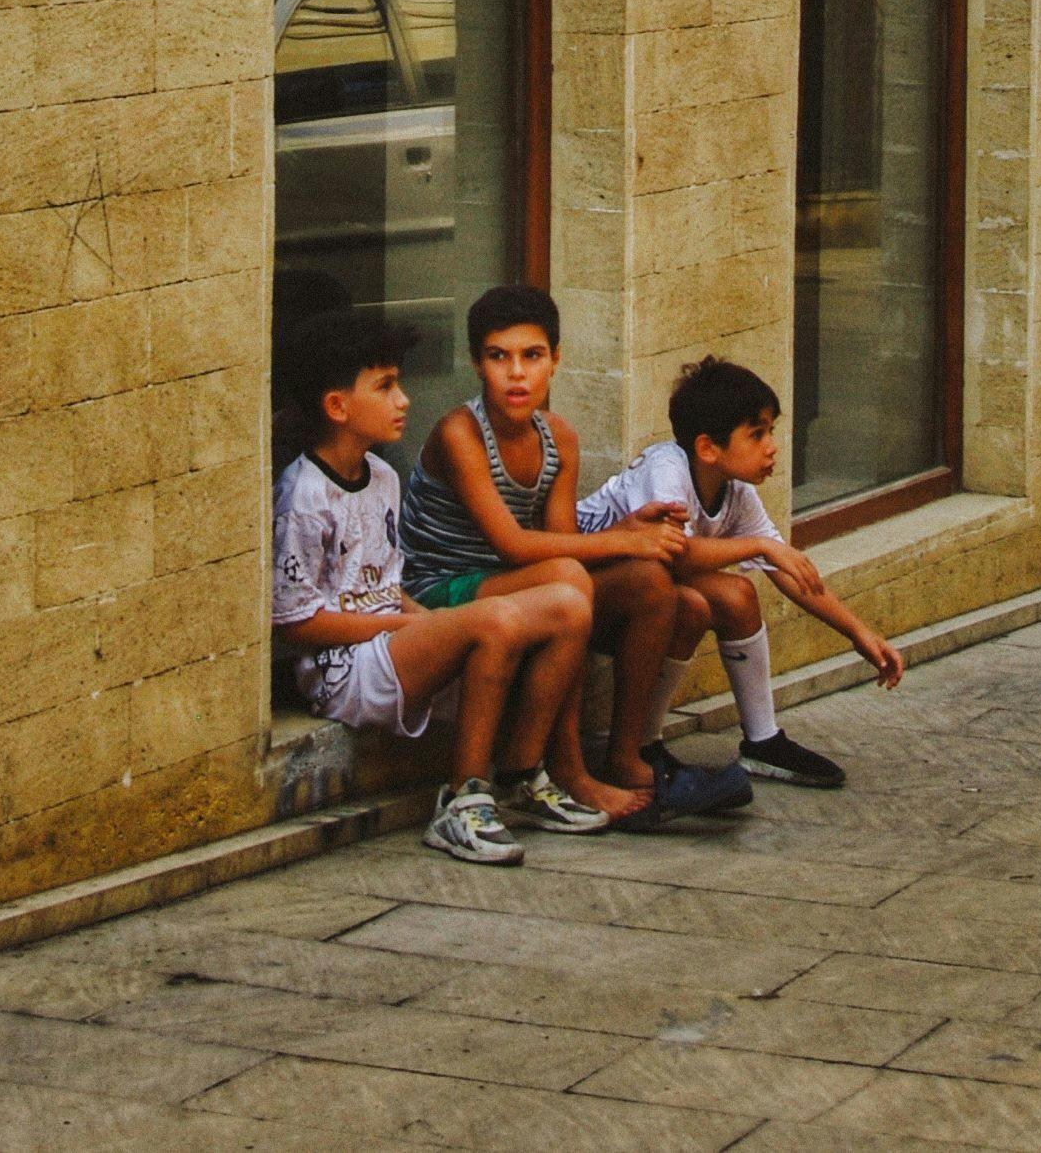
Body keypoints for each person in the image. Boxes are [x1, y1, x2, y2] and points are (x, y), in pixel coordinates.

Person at [400, 284, 749, 827]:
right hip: (441, 588)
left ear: (556, 359)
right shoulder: (459, 434)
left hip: (516, 582)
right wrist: (621, 539)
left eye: (532, 355)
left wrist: (629, 534)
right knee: (570, 580)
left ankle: (626, 757)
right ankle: (565, 771)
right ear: (476, 363)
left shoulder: (558, 437)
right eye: (499, 357)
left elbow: (562, 539)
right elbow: (513, 545)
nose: (517, 374)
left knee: (650, 582)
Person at [271, 310, 609, 864]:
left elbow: (386, 582)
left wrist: (426, 622)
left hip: (394, 644)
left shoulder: (383, 476)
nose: (404, 400)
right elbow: (295, 623)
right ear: (337, 407)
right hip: (344, 672)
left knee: (568, 606)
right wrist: (410, 623)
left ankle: (521, 775)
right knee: (496, 617)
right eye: (386, 386)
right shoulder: (304, 495)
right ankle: (462, 801)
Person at [579, 354, 905, 787]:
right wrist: (759, 545)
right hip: (588, 590)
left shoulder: (735, 490)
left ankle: (759, 741)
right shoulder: (667, 470)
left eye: (771, 431)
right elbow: (673, 553)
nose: (772, 446)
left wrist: (859, 633)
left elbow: (788, 570)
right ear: (707, 448)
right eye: (756, 434)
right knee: (694, 602)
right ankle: (640, 748)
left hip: (643, 596)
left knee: (735, 596)